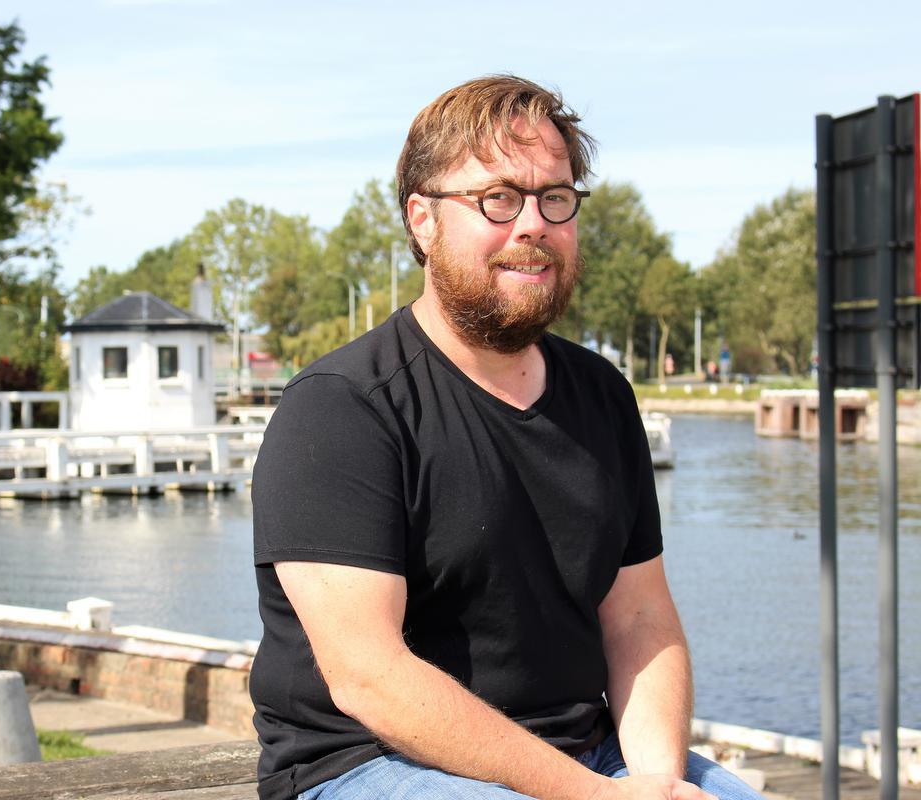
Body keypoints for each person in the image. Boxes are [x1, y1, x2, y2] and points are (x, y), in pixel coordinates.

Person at [250, 75, 762, 800]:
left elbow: (642, 619)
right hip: (373, 764)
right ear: (422, 221)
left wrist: (650, 782)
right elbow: (371, 678)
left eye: (555, 197)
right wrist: (596, 799)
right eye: (497, 198)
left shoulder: (603, 396)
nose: (533, 225)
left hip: (588, 756)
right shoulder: (342, 409)